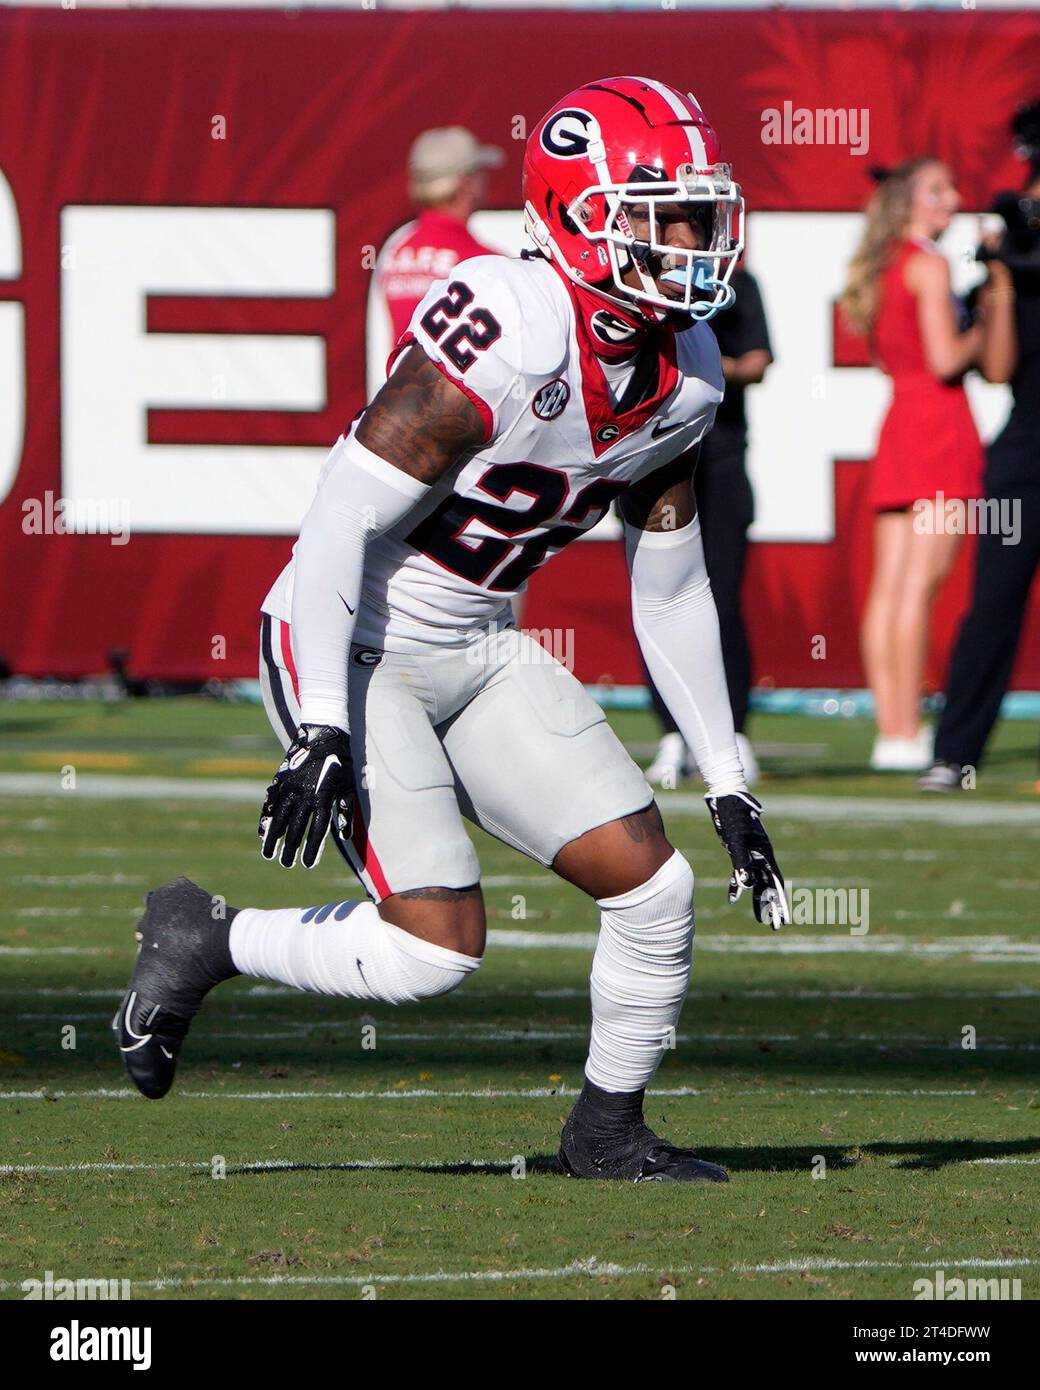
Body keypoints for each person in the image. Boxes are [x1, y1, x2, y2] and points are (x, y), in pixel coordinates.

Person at [114, 77, 791, 1186]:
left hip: (478, 644)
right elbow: (340, 511)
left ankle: (605, 1132)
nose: (686, 242)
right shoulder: (509, 330)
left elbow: (668, 588)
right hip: (355, 637)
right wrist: (323, 723)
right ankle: (206, 936)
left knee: (654, 889)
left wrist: (725, 775)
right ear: (575, 215)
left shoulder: (686, 377)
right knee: (435, 947)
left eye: (695, 215)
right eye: (658, 215)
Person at [841, 158, 1005, 773]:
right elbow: (946, 358)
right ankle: (906, 727)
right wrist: (991, 307)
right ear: (911, 202)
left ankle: (894, 728)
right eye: (939, 190)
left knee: (891, 586)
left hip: (901, 423)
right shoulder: (928, 264)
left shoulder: (883, 266)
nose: (954, 198)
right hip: (938, 426)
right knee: (918, 586)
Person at [920, 103, 1039, 791]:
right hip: (1026, 441)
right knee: (993, 598)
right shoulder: (1014, 245)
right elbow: (996, 370)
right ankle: (954, 752)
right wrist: (999, 280)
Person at [644, 262, 773, 789]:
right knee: (656, 593)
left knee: (721, 591)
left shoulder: (737, 284)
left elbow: (759, 360)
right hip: (649, 458)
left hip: (718, 455)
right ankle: (673, 730)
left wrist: (709, 366)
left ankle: (733, 729)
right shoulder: (633, 280)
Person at [376, 126, 504, 346]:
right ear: (467, 184)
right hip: (456, 381)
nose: (486, 180)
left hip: (404, 379)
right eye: (480, 172)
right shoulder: (484, 263)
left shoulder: (396, 253)